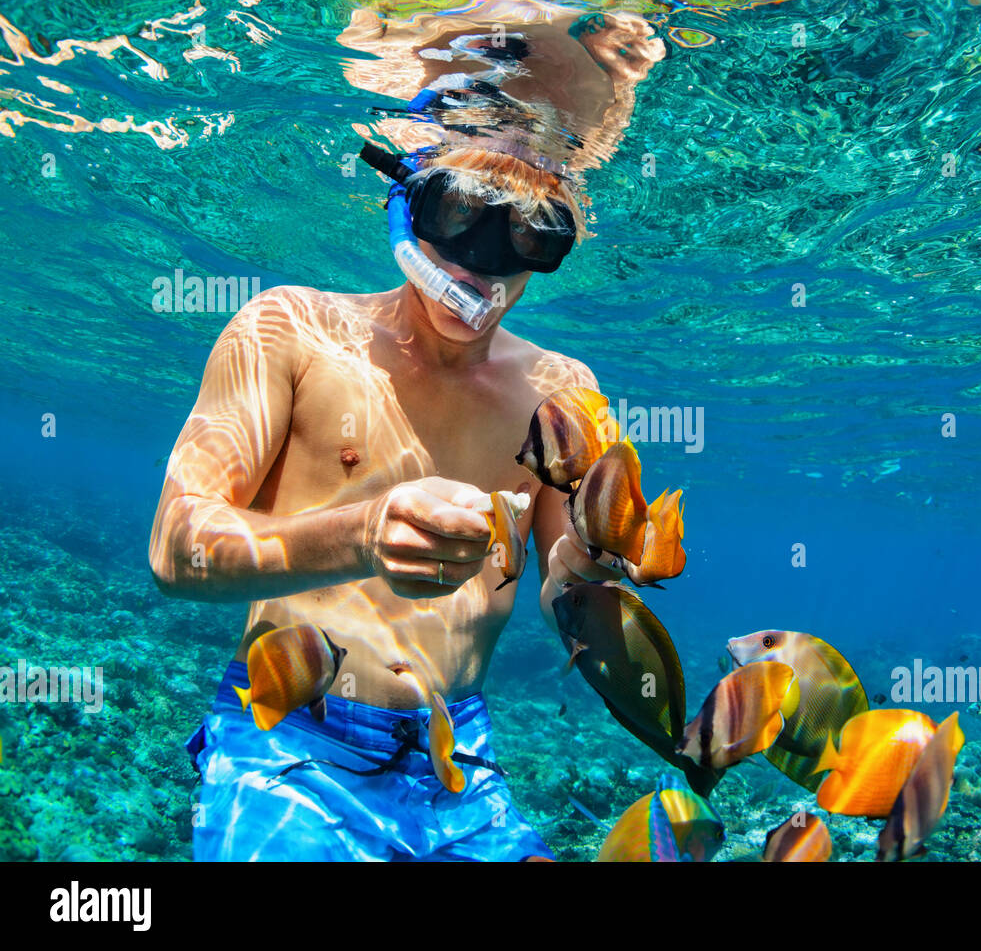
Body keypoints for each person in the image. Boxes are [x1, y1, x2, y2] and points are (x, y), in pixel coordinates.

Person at [148, 134, 630, 861]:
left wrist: (607, 546)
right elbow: (175, 546)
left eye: (530, 231)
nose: (481, 260)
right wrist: (363, 535)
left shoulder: (564, 393)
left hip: (455, 757)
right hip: (288, 743)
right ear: (408, 208)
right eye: (459, 212)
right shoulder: (291, 329)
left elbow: (569, 584)